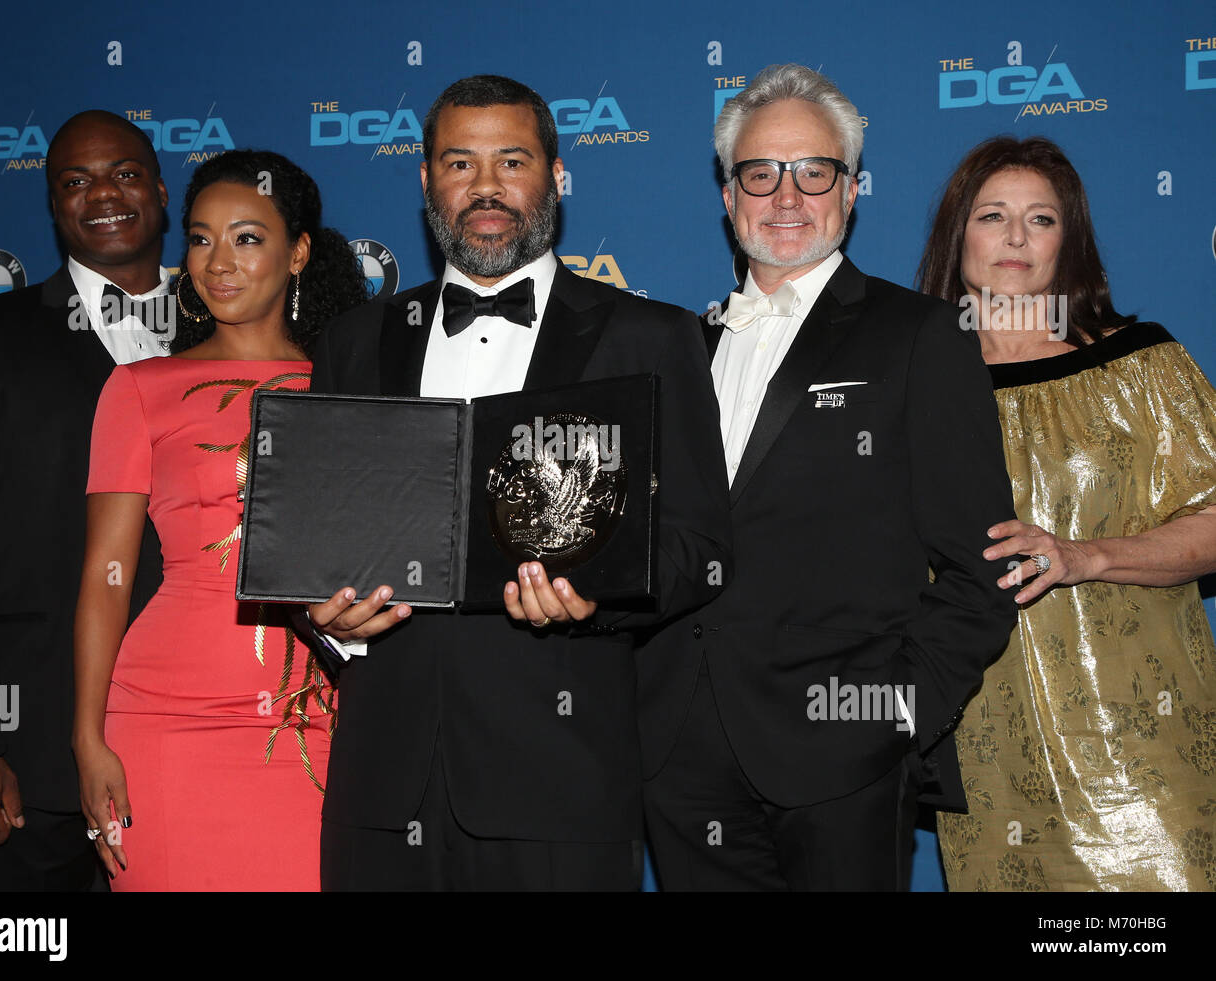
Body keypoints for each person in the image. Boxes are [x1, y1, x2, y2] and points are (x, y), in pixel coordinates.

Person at [302, 74, 732, 891]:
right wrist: (334, 621)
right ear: (425, 180)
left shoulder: (652, 335)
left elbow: (701, 546)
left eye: (513, 161)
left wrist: (600, 596)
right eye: (460, 164)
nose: (487, 188)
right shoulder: (355, 340)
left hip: (560, 783)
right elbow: (325, 535)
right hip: (381, 785)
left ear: (556, 176)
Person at [637, 64, 1018, 891]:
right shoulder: (675, 349)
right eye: (759, 173)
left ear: (850, 191)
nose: (786, 196)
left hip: (843, 751)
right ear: (728, 194)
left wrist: (890, 719)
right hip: (677, 751)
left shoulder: (918, 336)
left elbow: (981, 569)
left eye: (814, 172)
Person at [920, 136, 1216, 891]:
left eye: (1041, 219)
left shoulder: (1142, 364)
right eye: (993, 216)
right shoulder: (909, 390)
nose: (1016, 237)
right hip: (988, 755)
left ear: (1069, 241)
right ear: (959, 238)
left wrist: (1088, 556)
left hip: (1146, 750)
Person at [73, 149, 369, 890]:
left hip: (321, 719)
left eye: (247, 237)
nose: (218, 261)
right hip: (163, 717)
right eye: (201, 238)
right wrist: (87, 736)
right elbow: (106, 578)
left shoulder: (352, 386)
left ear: (298, 251)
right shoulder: (141, 388)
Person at [0, 109, 168, 891]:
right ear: (54, 205)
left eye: (123, 174)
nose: (103, 195)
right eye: (75, 181)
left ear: (160, 191)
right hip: (25, 763)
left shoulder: (227, 333)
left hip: (188, 739)